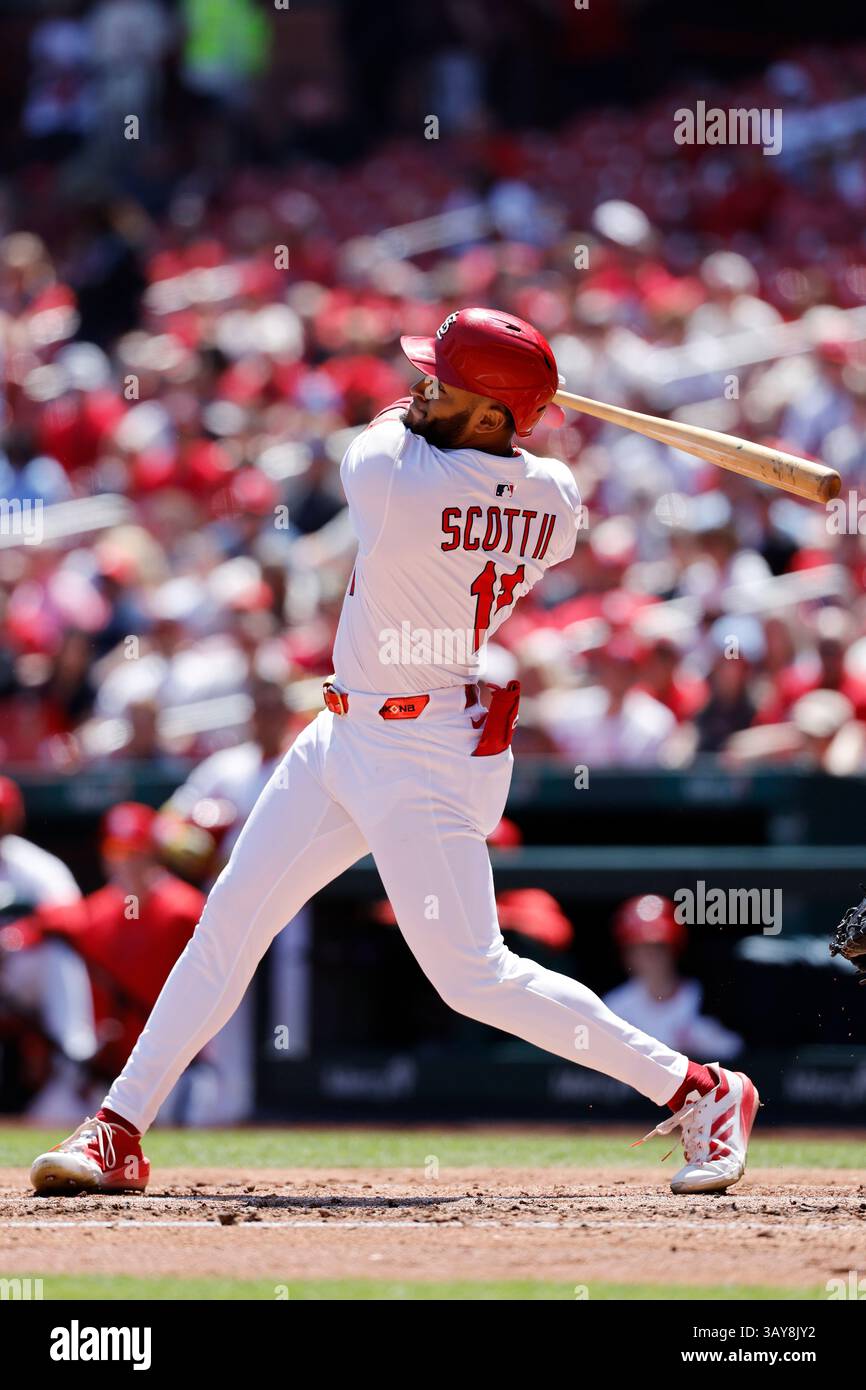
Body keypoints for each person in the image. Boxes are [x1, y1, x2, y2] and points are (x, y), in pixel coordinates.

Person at [31, 307, 759, 1198]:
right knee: (230, 923)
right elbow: (510, 467)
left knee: (473, 977)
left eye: (444, 378)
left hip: (419, 754)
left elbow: (402, 429)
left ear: (493, 415)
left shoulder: (391, 475)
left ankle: (701, 1089)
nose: (421, 384)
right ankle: (119, 1128)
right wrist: (501, 403)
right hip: (353, 733)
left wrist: (498, 402)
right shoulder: (555, 499)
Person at [603, 896, 743, 1062]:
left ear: (674, 949)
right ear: (628, 955)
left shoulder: (705, 996)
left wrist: (697, 1048)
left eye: (658, 947)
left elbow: (736, 1051)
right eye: (641, 949)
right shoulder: (615, 1006)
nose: (651, 957)